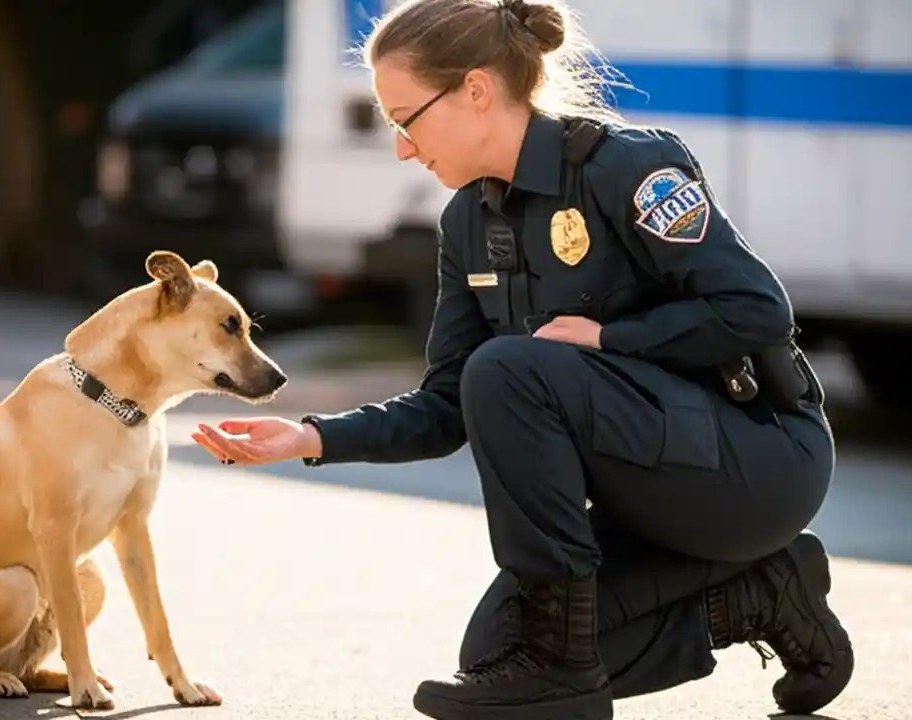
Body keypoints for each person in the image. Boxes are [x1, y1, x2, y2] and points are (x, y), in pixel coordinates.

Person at [191, 0, 854, 718]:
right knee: (497, 653)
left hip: (754, 466)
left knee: (509, 368)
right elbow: (449, 404)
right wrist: (312, 436)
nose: (403, 148)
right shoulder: (468, 222)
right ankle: (757, 598)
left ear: (476, 91)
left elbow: (756, 310)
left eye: (406, 119)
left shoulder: (626, 167)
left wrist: (608, 340)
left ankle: (561, 668)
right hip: (648, 488)